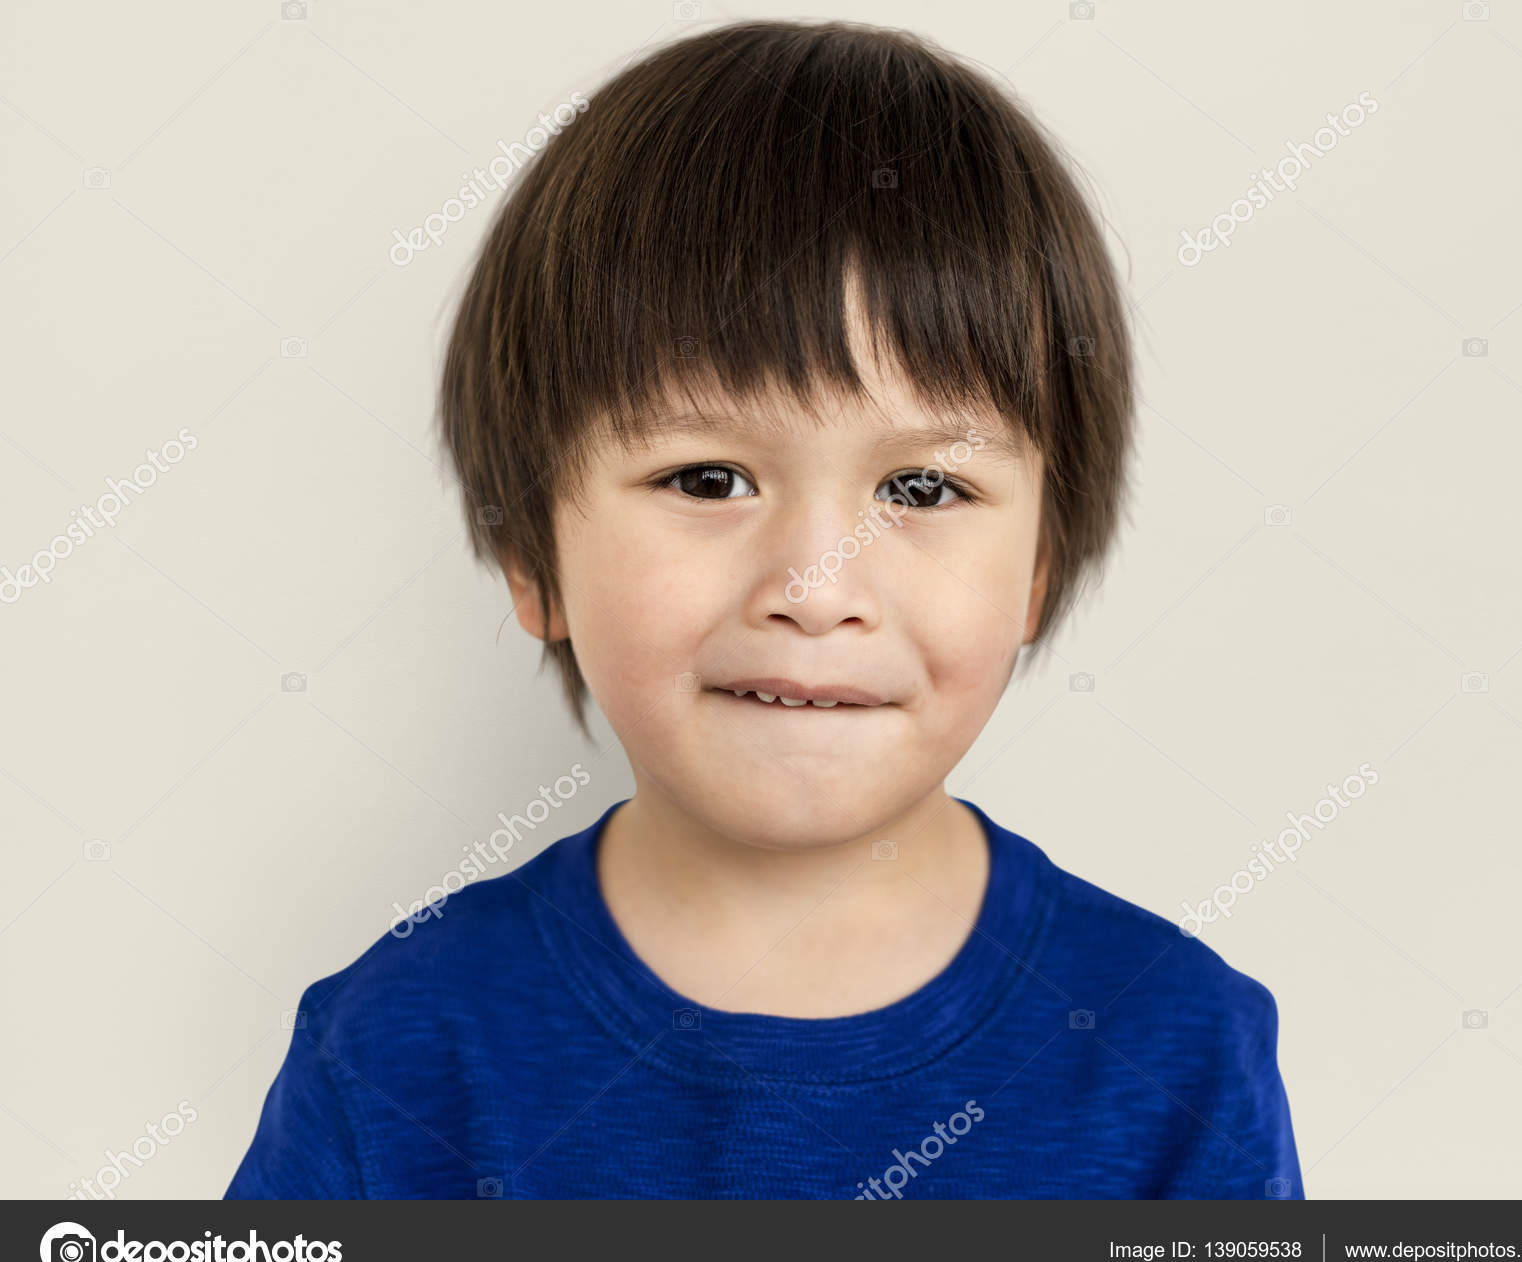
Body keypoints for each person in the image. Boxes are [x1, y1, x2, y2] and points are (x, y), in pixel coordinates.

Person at [226, 18, 1301, 1200]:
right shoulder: (392, 1048)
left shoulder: (1173, 1046)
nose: (815, 587)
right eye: (707, 479)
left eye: (923, 488)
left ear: (1036, 569)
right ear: (532, 555)